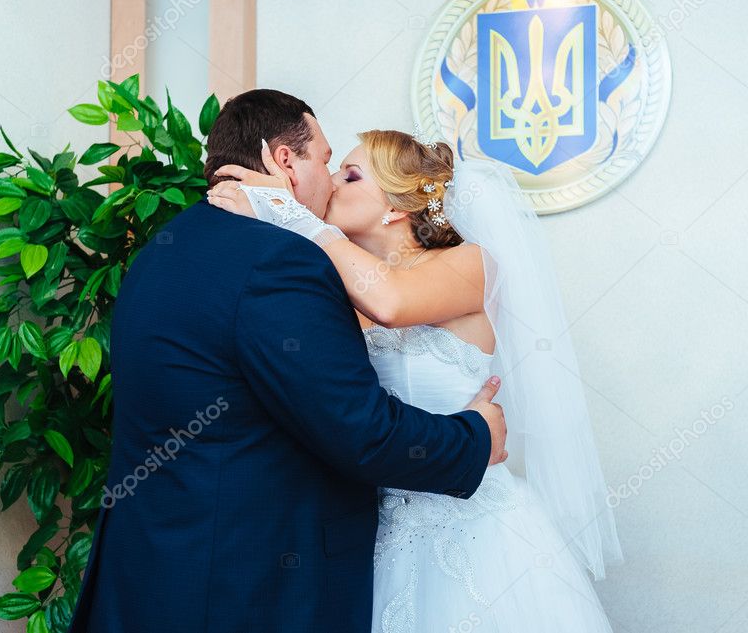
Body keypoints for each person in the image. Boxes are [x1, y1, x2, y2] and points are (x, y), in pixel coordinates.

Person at [66, 89, 508, 633]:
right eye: (328, 163)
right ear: (284, 161)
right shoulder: (281, 263)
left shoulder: (164, 249)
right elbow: (360, 430)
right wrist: (475, 437)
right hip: (241, 585)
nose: (328, 183)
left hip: (156, 570)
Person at [207, 128, 624, 631]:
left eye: (351, 174)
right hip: (374, 532)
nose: (332, 182)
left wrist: (293, 214)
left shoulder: (470, 264)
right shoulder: (333, 285)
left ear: (396, 207)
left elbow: (392, 302)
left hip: (473, 528)